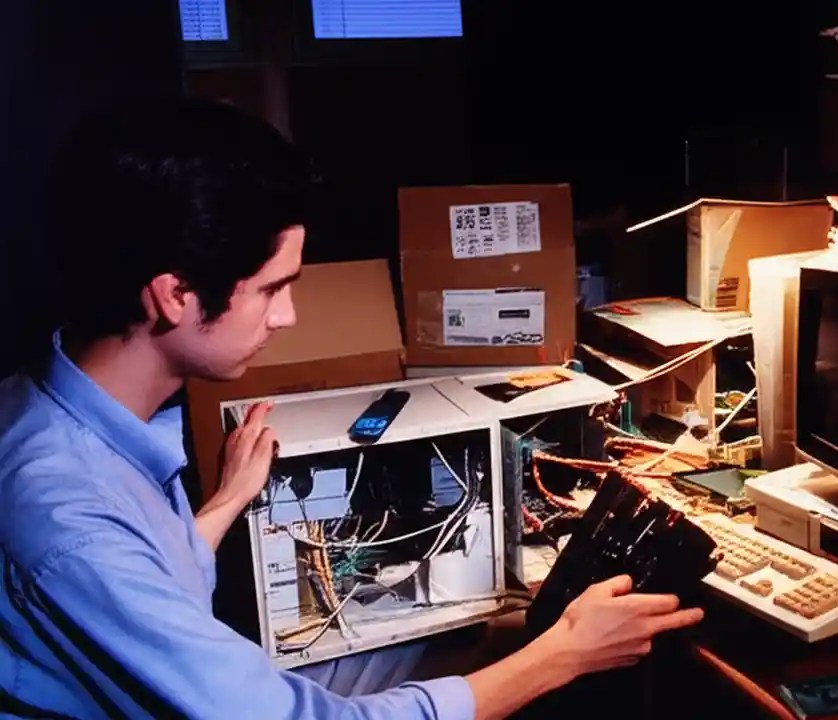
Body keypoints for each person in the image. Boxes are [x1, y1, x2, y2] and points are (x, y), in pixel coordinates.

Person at [0, 98, 703, 719]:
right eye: (273, 289)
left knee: (479, 636)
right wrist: (564, 657)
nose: (288, 316)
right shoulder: (70, 523)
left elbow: (152, 578)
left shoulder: (73, 416)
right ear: (176, 295)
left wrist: (223, 505)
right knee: (540, 668)